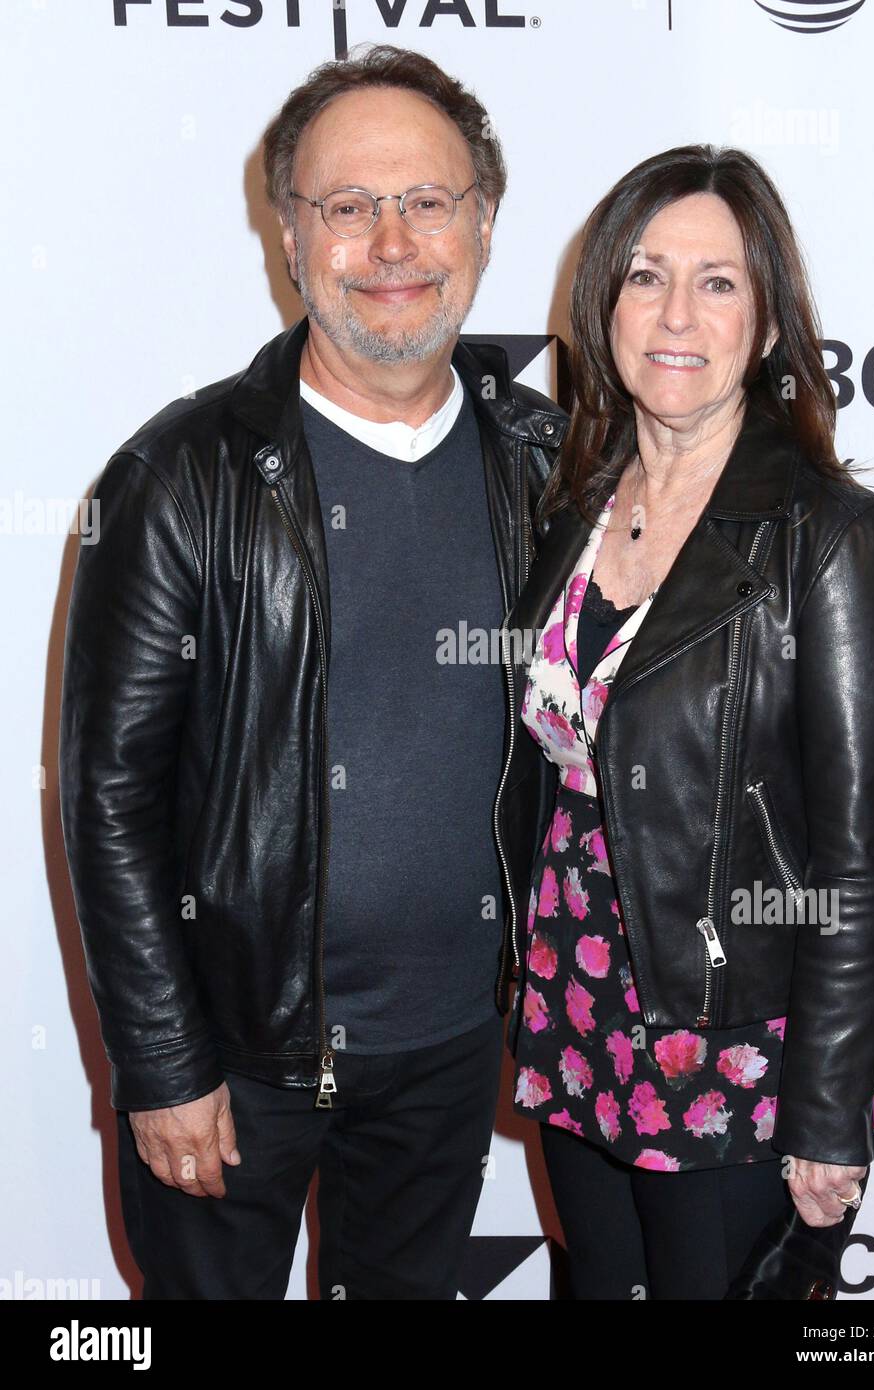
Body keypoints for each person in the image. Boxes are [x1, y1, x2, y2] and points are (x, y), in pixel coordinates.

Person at [58, 44, 567, 1300]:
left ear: (485, 222)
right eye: (348, 206)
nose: (392, 242)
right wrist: (162, 1062)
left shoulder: (549, 466)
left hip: (454, 1052)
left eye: (428, 201)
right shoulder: (177, 478)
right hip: (232, 1061)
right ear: (290, 233)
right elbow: (109, 798)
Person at [493, 144, 874, 1300]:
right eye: (644, 276)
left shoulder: (830, 536)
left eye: (718, 281)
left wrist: (828, 1115)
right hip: (578, 999)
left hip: (734, 1041)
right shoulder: (579, 497)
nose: (676, 312)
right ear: (604, 303)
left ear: (770, 321)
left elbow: (860, 850)